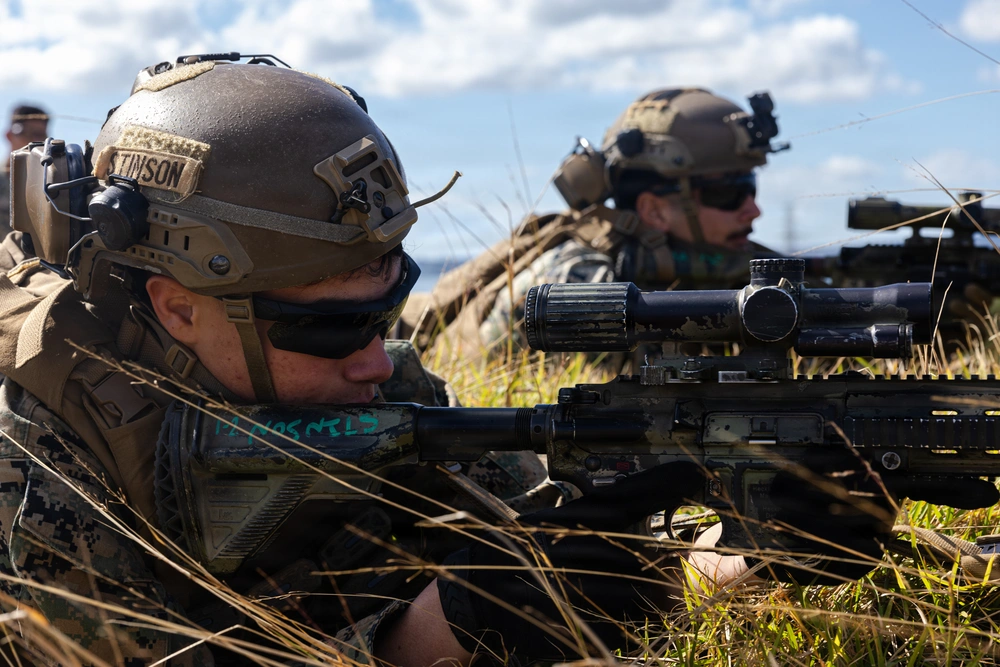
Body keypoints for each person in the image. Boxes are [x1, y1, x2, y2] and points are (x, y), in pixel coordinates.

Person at [0, 56, 715, 666]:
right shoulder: (38, 445)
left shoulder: (367, 385)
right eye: (331, 329)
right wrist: (412, 643)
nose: (377, 362)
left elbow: (545, 537)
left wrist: (717, 565)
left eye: (383, 314)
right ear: (180, 308)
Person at [403, 88, 789, 358]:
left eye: (752, 187)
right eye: (729, 193)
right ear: (654, 210)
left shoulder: (718, 266)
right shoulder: (578, 282)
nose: (753, 210)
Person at [0, 104, 49, 235]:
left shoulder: (49, 183)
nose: (33, 142)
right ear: (9, 135)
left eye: (40, 135)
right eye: (26, 133)